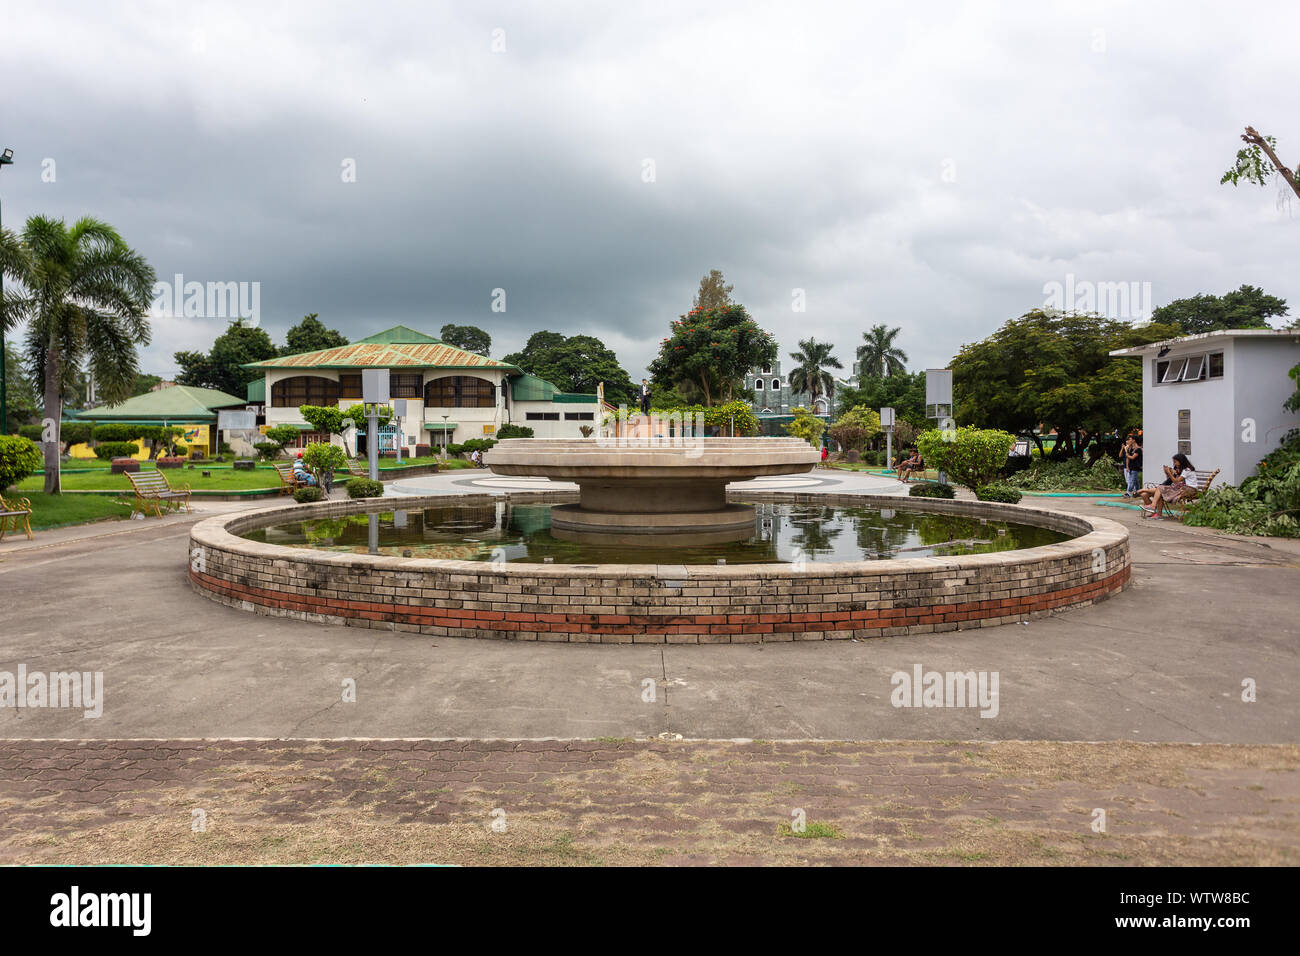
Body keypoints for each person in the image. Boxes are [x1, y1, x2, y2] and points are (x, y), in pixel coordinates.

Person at [1144, 453, 1197, 519]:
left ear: (1181, 461)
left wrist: (1169, 473)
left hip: (1189, 490)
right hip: (1183, 488)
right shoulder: (1183, 469)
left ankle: (1153, 506)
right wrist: (1168, 472)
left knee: (1160, 489)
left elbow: (1175, 481)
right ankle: (1158, 514)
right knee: (1160, 490)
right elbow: (1173, 481)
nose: (1174, 464)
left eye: (1175, 462)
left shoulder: (1187, 470)